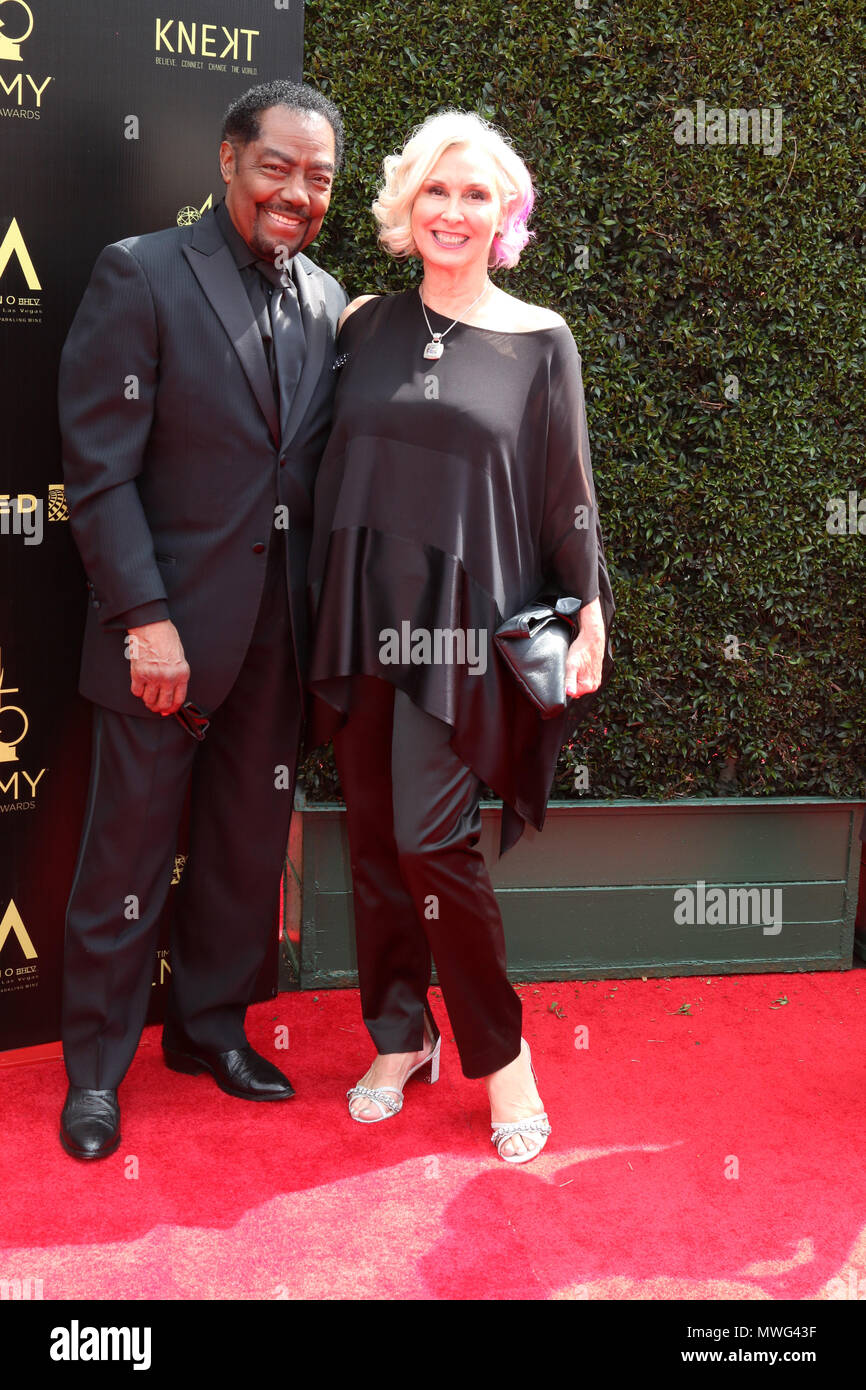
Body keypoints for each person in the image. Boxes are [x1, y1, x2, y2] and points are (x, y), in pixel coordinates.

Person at [306, 110, 615, 1163]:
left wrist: (589, 608)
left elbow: (565, 493)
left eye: (476, 194)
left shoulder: (539, 339)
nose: (453, 210)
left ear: (505, 216)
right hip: (359, 613)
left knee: (434, 843)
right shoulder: (358, 323)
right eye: (436, 190)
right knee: (375, 839)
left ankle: (501, 1054)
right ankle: (400, 1035)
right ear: (405, 205)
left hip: (459, 630)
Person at [57, 80, 348, 1160]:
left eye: (318, 177)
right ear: (228, 161)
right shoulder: (143, 273)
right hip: (164, 642)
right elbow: (98, 470)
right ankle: (94, 1072)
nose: (296, 192)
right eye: (277, 166)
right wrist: (144, 618)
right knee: (125, 857)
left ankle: (209, 1031)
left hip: (276, 640)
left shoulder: (325, 298)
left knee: (236, 857)